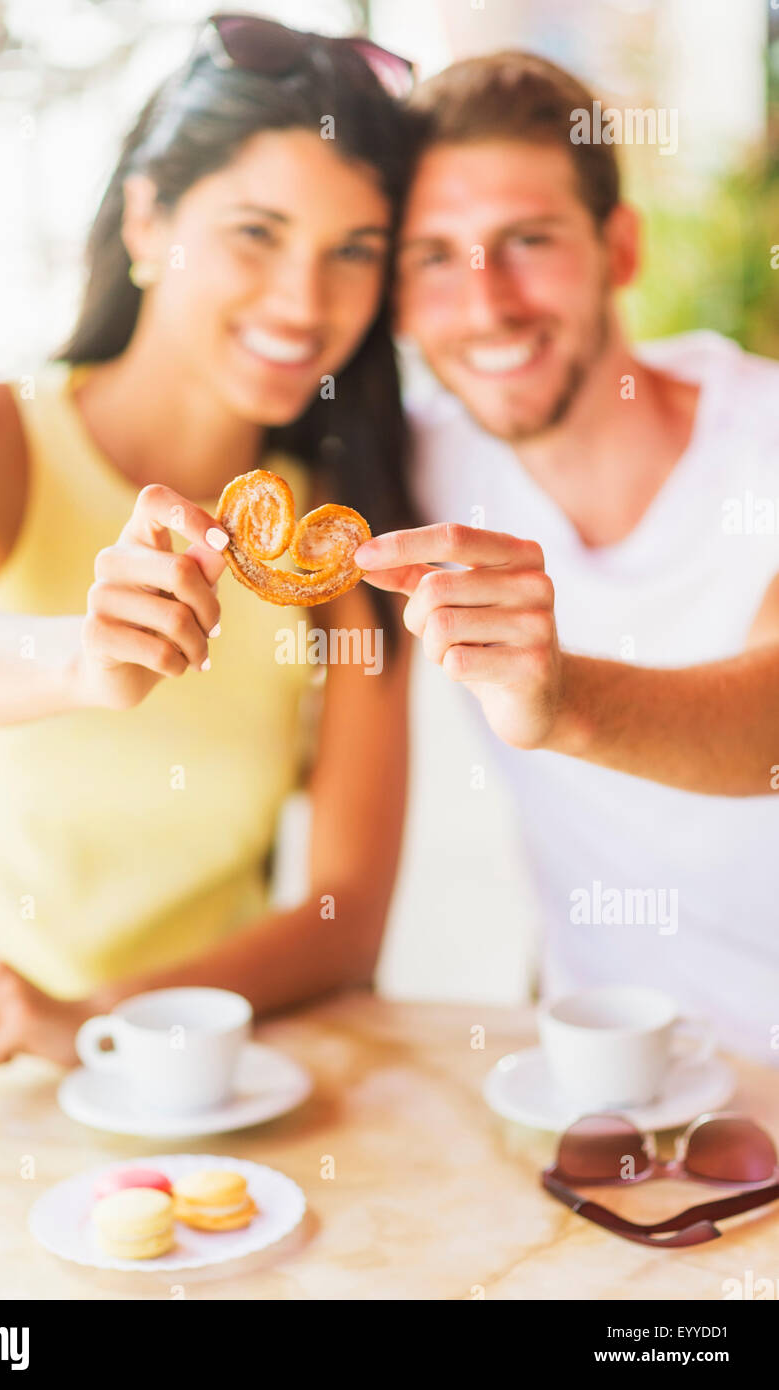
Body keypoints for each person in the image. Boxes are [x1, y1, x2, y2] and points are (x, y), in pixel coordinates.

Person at [0, 16, 420, 1065]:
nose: (304, 302)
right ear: (145, 220)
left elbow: (344, 920)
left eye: (352, 252)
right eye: (256, 232)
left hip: (198, 1092)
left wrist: (99, 1022)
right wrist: (79, 659)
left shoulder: (340, 540)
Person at [355, 52, 779, 1062]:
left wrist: (564, 701)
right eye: (433, 257)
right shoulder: (418, 460)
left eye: (527, 240)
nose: (487, 303)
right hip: (595, 1076)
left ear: (617, 248)